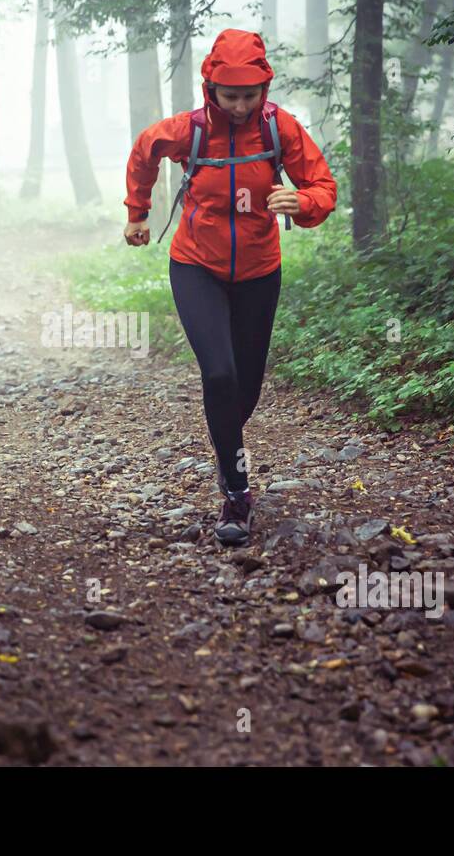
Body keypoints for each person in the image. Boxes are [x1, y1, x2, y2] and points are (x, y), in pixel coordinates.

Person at [123, 28, 337, 547]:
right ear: (210, 89)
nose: (240, 106)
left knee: (246, 388)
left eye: (250, 95)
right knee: (219, 374)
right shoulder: (189, 131)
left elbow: (323, 187)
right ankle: (237, 495)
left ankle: (225, 443)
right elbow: (143, 152)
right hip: (196, 266)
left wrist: (302, 204)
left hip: (259, 272)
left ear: (264, 89)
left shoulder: (278, 128)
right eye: (230, 95)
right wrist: (138, 213)